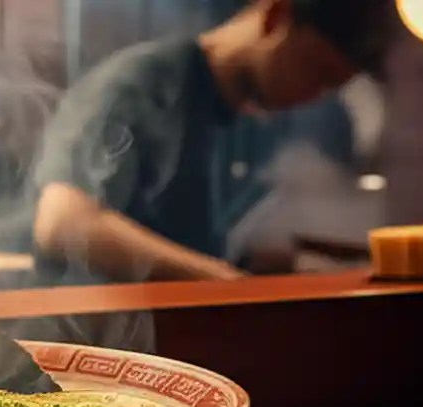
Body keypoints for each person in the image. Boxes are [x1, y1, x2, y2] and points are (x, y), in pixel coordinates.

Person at [32, 0, 393, 286]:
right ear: (275, 17)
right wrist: (227, 282)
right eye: (317, 72)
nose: (314, 95)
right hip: (86, 335)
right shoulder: (140, 85)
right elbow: (63, 222)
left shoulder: (247, 121)